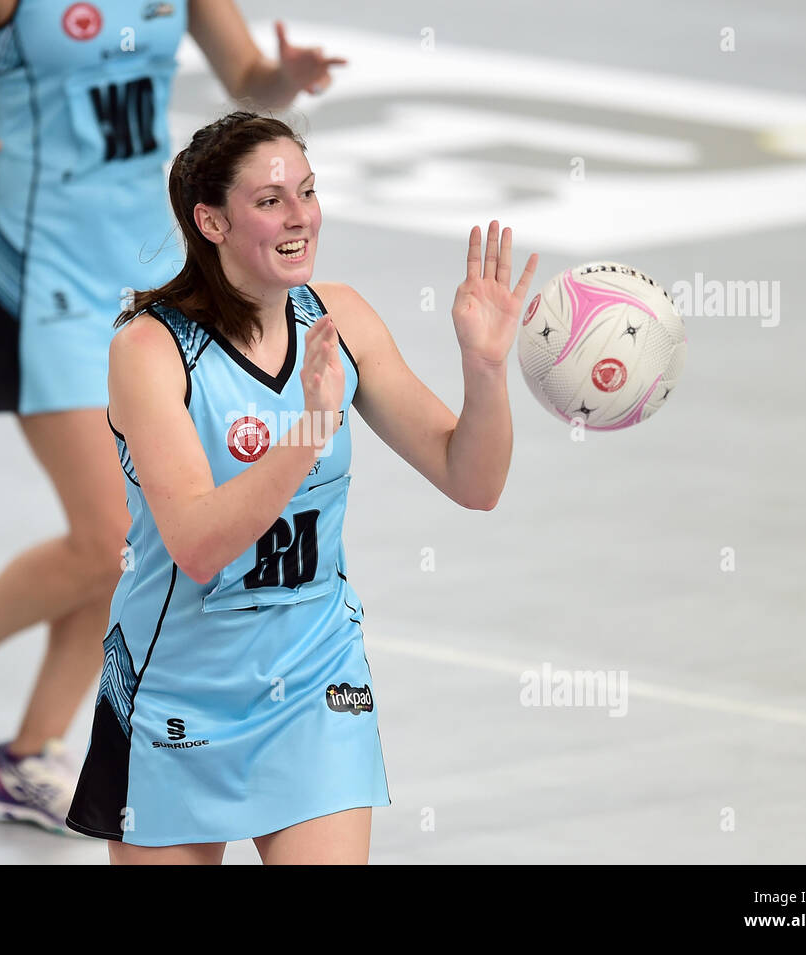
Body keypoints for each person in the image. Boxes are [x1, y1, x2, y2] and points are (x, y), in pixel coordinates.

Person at [0, 0, 345, 833]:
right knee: (107, 535)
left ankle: (29, 754)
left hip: (145, 272)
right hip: (38, 276)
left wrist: (291, 78)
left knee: (130, 539)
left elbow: (249, 76)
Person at [63, 111, 539, 864]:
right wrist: (307, 433)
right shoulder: (150, 351)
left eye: (308, 192)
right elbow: (196, 543)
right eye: (271, 200)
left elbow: (472, 480)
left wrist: (484, 371)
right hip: (177, 693)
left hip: (316, 680)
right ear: (210, 220)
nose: (300, 217)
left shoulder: (338, 318)